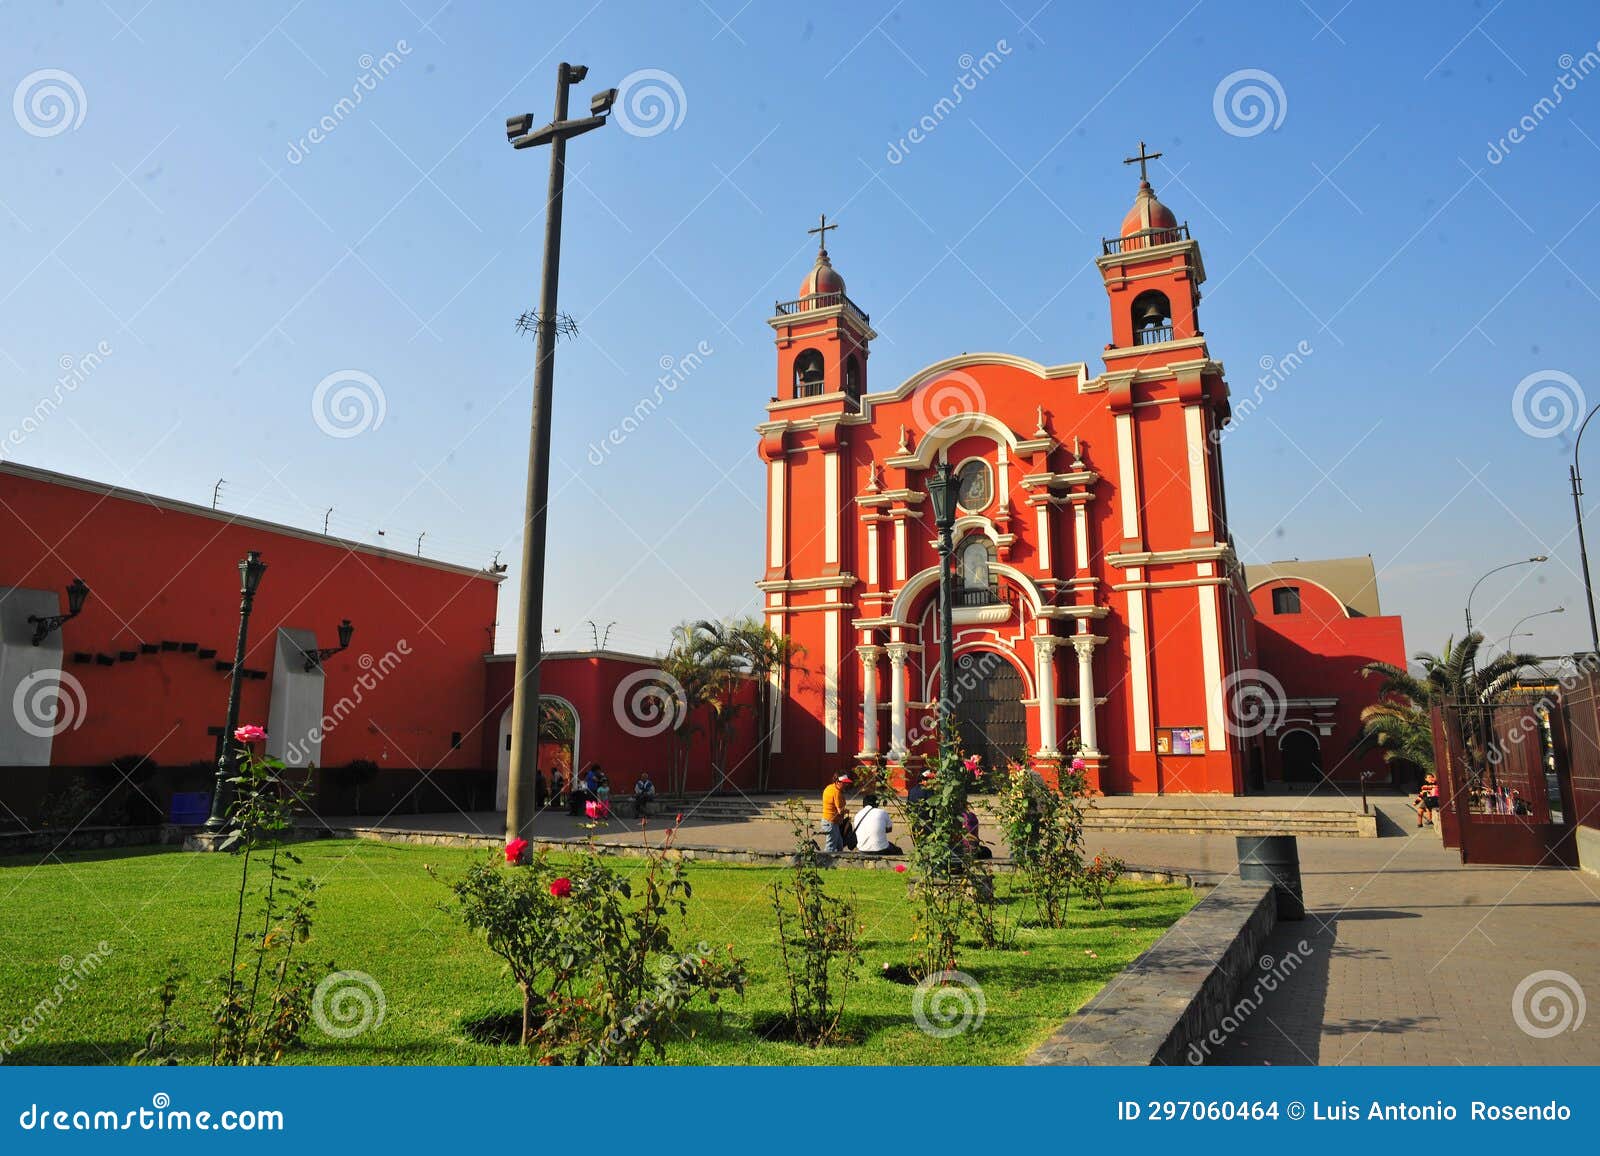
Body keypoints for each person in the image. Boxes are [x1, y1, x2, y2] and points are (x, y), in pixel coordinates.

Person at [821, 772, 853, 853]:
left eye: (846, 783)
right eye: (844, 783)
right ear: (837, 782)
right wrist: (846, 811)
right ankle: (825, 862)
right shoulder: (836, 792)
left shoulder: (829, 787)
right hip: (831, 823)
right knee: (830, 847)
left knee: (839, 845)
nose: (846, 785)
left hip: (828, 821)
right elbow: (840, 811)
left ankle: (839, 862)